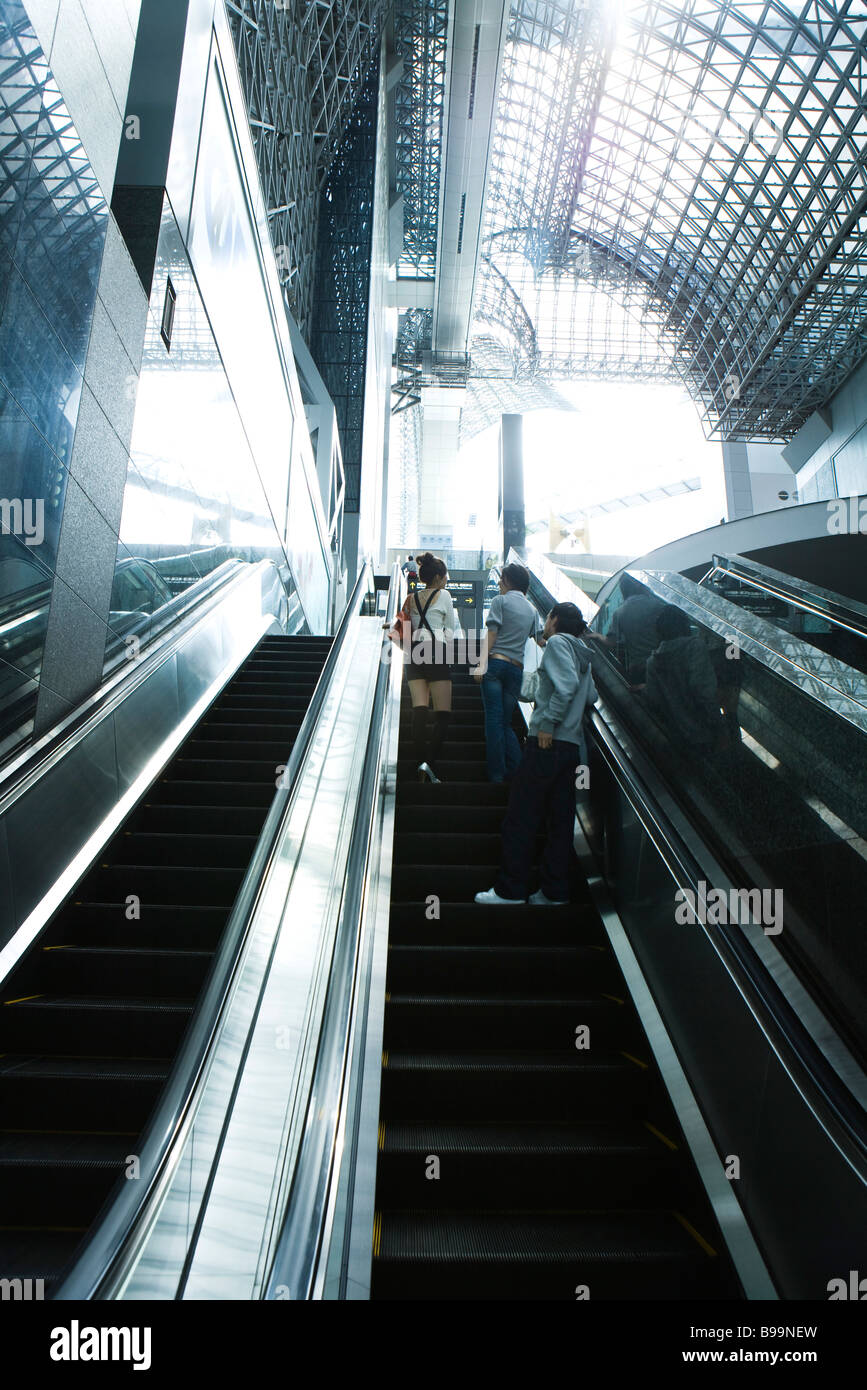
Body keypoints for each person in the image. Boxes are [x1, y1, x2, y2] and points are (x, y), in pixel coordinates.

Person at [475, 602, 596, 906]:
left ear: (554, 619)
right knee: (559, 821)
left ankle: (510, 890)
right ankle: (554, 891)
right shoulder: (583, 654)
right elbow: (589, 695)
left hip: (546, 744)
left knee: (521, 817)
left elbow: (565, 687)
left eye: (548, 618)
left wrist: (548, 723)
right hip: (570, 748)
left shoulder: (556, 643)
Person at [385, 552, 462, 782]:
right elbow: (449, 632)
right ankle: (428, 763)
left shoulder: (411, 598)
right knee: (442, 715)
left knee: (419, 711)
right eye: (445, 575)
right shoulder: (444, 595)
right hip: (436, 653)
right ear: (438, 576)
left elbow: (400, 630)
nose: (446, 579)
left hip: (414, 655)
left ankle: (420, 763)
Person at [473, 562, 543, 782]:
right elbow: (540, 640)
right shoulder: (532, 610)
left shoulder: (500, 601)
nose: (500, 584)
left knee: (494, 721)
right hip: (516, 671)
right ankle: (519, 772)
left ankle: (497, 775)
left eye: (502, 580)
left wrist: (480, 663)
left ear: (508, 581)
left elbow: (491, 634)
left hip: (495, 665)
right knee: (504, 723)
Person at [638, 605, 727, 752]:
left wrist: (644, 689)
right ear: (684, 625)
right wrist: (720, 727)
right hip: (704, 733)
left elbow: (655, 698)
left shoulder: (652, 662)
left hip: (677, 735)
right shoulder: (695, 648)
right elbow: (704, 692)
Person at [589, 573, 665, 683]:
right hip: (661, 663)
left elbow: (611, 642)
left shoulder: (620, 612)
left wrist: (597, 635)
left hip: (639, 668)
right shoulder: (658, 605)